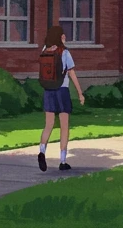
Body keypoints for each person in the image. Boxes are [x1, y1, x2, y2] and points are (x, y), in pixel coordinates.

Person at [37, 25, 84, 172]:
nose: (64, 37)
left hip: (48, 90)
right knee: (64, 127)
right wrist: (80, 93)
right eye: (62, 35)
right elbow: (72, 74)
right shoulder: (64, 52)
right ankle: (63, 161)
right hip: (62, 91)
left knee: (48, 124)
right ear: (59, 36)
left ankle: (42, 151)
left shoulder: (45, 50)